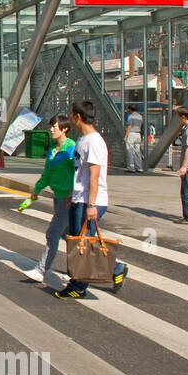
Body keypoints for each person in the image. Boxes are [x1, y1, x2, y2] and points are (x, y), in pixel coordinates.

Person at [54, 100, 130, 299]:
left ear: (78, 117)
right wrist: (73, 193)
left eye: (71, 115)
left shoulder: (95, 142)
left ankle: (78, 286)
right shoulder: (81, 141)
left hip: (91, 200)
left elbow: (95, 176)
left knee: (83, 243)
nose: (70, 118)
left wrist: (91, 204)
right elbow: (79, 172)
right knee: (72, 237)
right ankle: (116, 268)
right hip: (80, 198)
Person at [21, 115, 75, 283]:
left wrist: (72, 193)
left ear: (64, 128)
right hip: (58, 196)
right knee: (68, 235)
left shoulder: (71, 148)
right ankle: (113, 267)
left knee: (53, 233)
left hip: (68, 198)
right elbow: (47, 173)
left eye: (54, 126)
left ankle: (41, 270)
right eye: (51, 126)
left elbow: (78, 173)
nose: (51, 129)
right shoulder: (52, 148)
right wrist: (37, 189)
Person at [124, 106, 144, 173]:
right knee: (137, 152)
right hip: (138, 134)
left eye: (128, 109)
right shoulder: (140, 116)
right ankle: (139, 167)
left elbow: (129, 126)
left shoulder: (131, 116)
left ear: (130, 109)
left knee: (129, 151)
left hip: (132, 134)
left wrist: (126, 136)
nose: (127, 111)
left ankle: (131, 167)